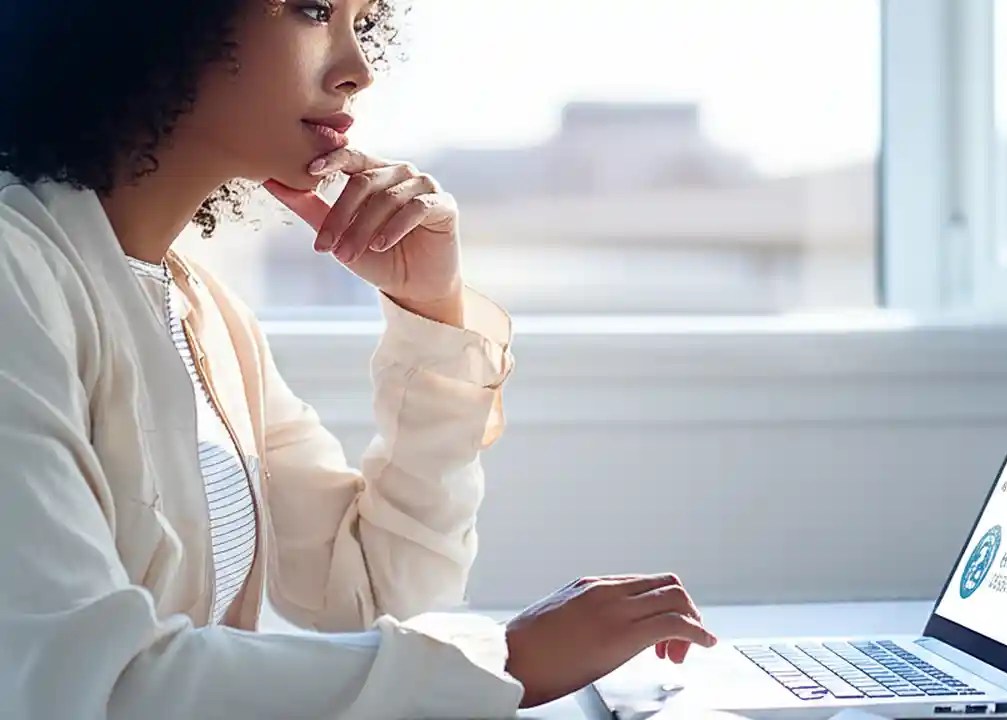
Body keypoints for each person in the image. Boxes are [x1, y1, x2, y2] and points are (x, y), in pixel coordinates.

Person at [0, 1, 717, 717]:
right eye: (313, 10)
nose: (358, 71)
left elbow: (377, 592)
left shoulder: (205, 313)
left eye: (361, 21)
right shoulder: (15, 277)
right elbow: (79, 683)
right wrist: (507, 661)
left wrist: (432, 312)